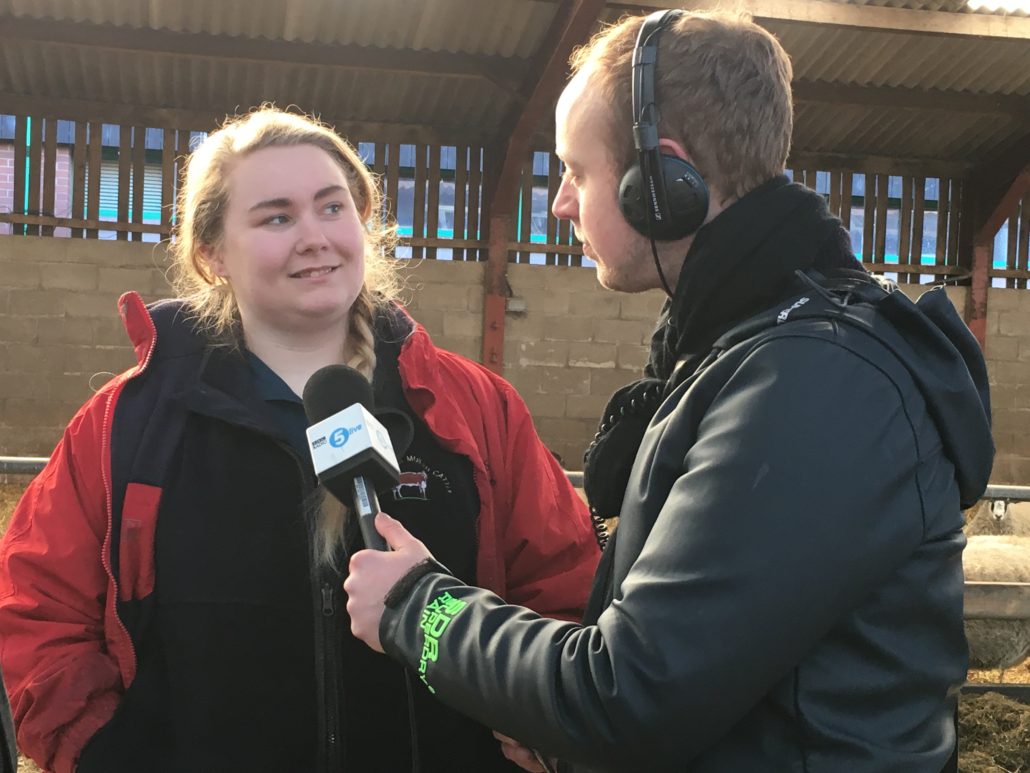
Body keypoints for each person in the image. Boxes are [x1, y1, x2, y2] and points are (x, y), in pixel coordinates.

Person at [344, 10, 994, 773]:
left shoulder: (815, 384)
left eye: (576, 172)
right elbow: (719, 675)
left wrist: (419, 609)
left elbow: (627, 693)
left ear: (664, 182)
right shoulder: (753, 352)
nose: (560, 202)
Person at [0, 107, 600, 773]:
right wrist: (104, 752)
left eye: (331, 208)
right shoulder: (128, 423)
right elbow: (37, 609)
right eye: (277, 217)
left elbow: (564, 587)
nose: (314, 237)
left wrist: (538, 725)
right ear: (212, 254)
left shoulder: (475, 410)